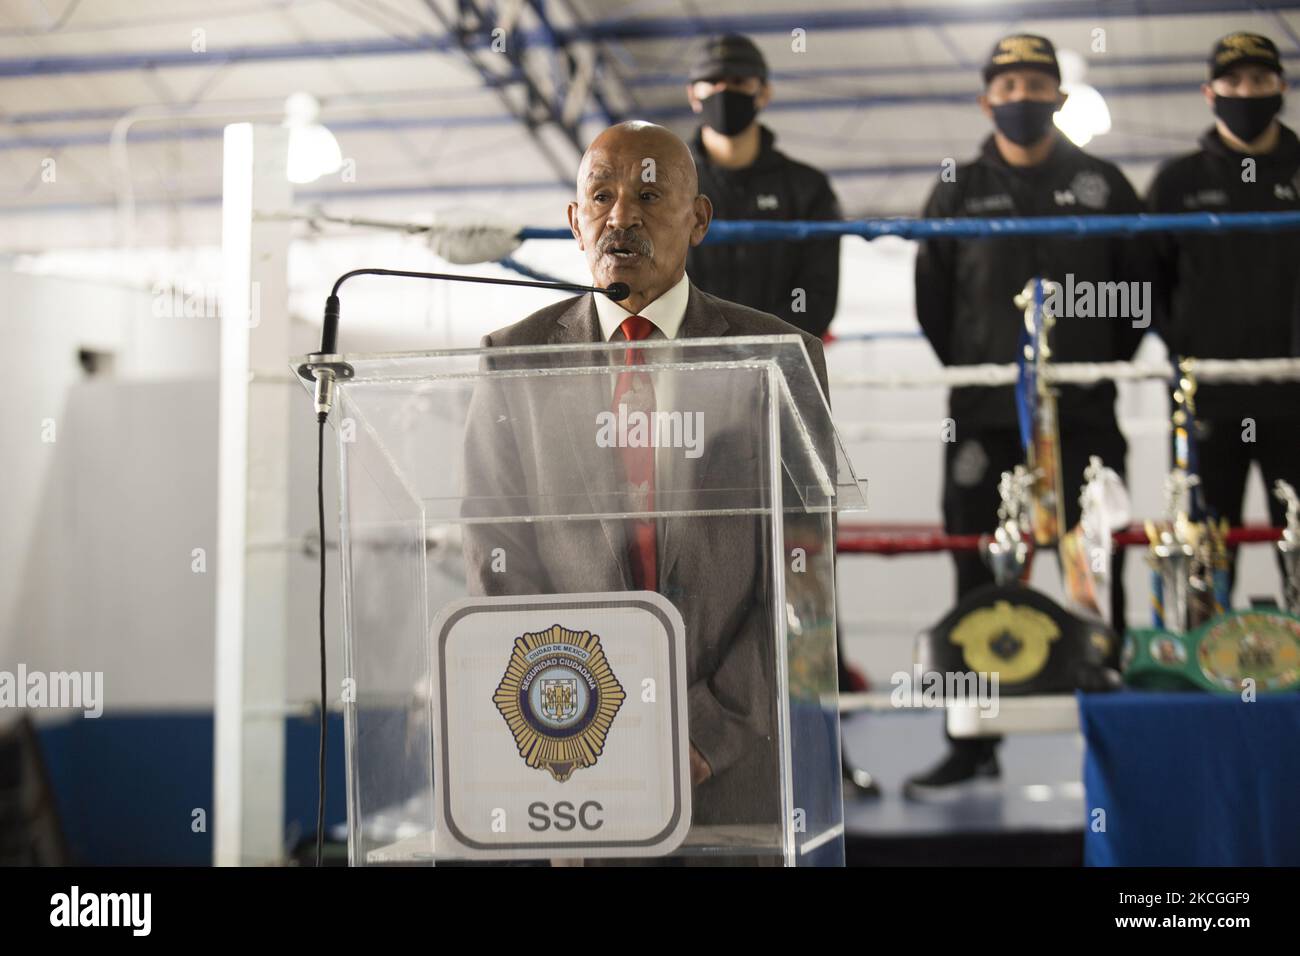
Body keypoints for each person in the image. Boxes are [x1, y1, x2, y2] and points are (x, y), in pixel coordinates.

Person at [460, 121, 836, 851]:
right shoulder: (513, 361)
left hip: (734, 771)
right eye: (600, 195)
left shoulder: (779, 360)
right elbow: (496, 564)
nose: (622, 215)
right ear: (575, 223)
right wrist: (590, 726)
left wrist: (704, 732)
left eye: (650, 194)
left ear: (698, 220)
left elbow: (804, 578)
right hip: (575, 762)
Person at [908, 34, 1147, 799]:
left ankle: (1114, 735)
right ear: (987, 100)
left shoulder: (1103, 183)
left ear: (1057, 95)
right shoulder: (955, 188)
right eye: (1007, 84)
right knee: (974, 573)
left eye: (1036, 82)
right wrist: (982, 373)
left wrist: (1088, 364)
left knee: (1098, 566)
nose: (1022, 96)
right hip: (982, 416)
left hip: (1085, 414)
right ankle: (971, 744)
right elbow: (934, 304)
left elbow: (1135, 294)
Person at [1147, 32, 1300, 595]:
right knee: (1207, 550)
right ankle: (1209, 674)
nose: (1247, 91)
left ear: (1281, 87)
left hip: (1296, 393)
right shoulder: (1176, 183)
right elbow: (1146, 284)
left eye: (1260, 79)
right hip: (1208, 394)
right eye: (1233, 81)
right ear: (1210, 93)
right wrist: (1183, 344)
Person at [684, 33, 843, 339]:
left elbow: (818, 295)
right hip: (689, 366)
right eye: (712, 82)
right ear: (693, 95)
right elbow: (651, 284)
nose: (724, 91)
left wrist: (760, 349)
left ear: (764, 93)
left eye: (739, 81)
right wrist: (702, 349)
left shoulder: (807, 188)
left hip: (780, 366)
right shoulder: (664, 188)